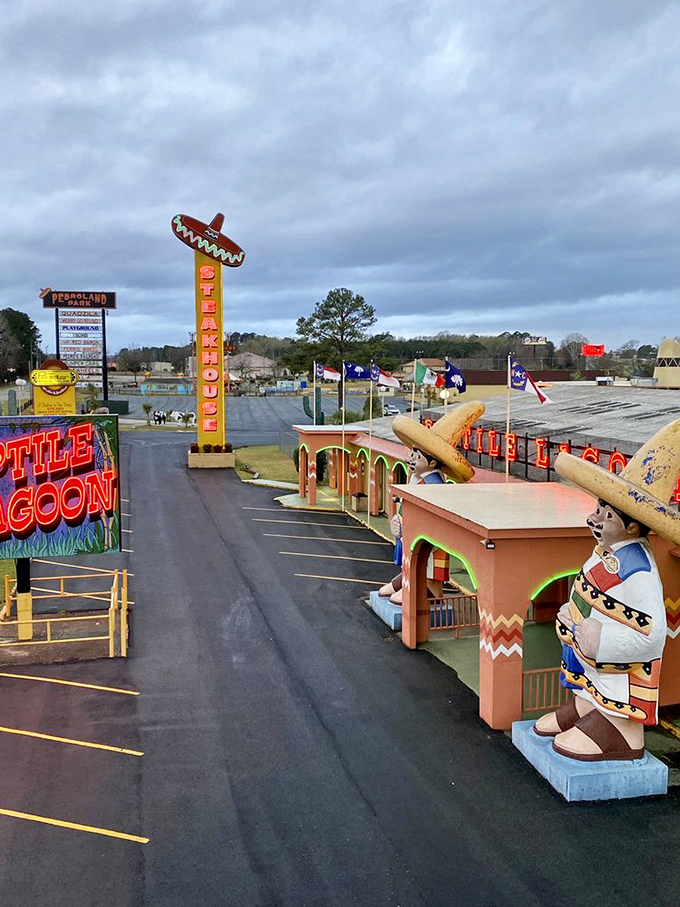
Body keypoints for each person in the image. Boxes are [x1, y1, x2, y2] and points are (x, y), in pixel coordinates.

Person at [534, 420, 680, 761]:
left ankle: (619, 733)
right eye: (598, 509)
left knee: (616, 695)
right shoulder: (604, 554)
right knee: (590, 687)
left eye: (606, 514)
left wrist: (601, 640)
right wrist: (569, 618)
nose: (594, 518)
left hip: (620, 672)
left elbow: (654, 634)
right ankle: (586, 710)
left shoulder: (640, 572)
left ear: (631, 526)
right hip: (590, 665)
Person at [379, 401, 485, 605]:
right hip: (410, 532)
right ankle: (404, 581)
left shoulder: (434, 483)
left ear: (433, 463)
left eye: (416, 457)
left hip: (429, 537)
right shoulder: (415, 478)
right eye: (411, 454)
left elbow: (433, 512)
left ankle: (429, 592)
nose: (410, 459)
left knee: (426, 564)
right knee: (409, 560)